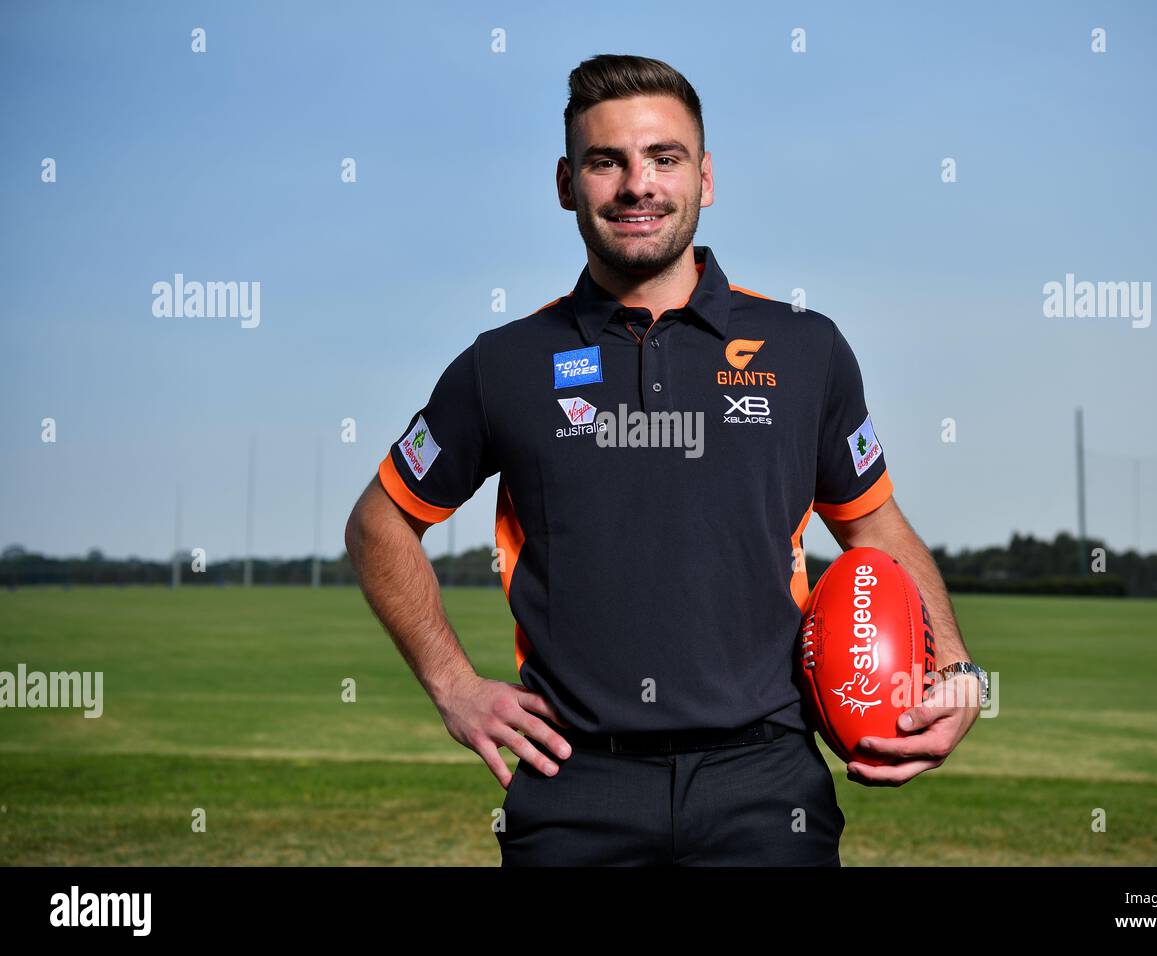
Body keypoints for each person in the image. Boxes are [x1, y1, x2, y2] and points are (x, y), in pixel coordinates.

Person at [344, 53, 983, 866]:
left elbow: (876, 530)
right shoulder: (501, 364)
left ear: (705, 179)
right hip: (575, 786)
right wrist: (454, 686)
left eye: (664, 158)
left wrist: (959, 667)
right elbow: (378, 524)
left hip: (766, 783)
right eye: (605, 161)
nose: (636, 185)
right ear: (566, 184)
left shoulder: (806, 348)